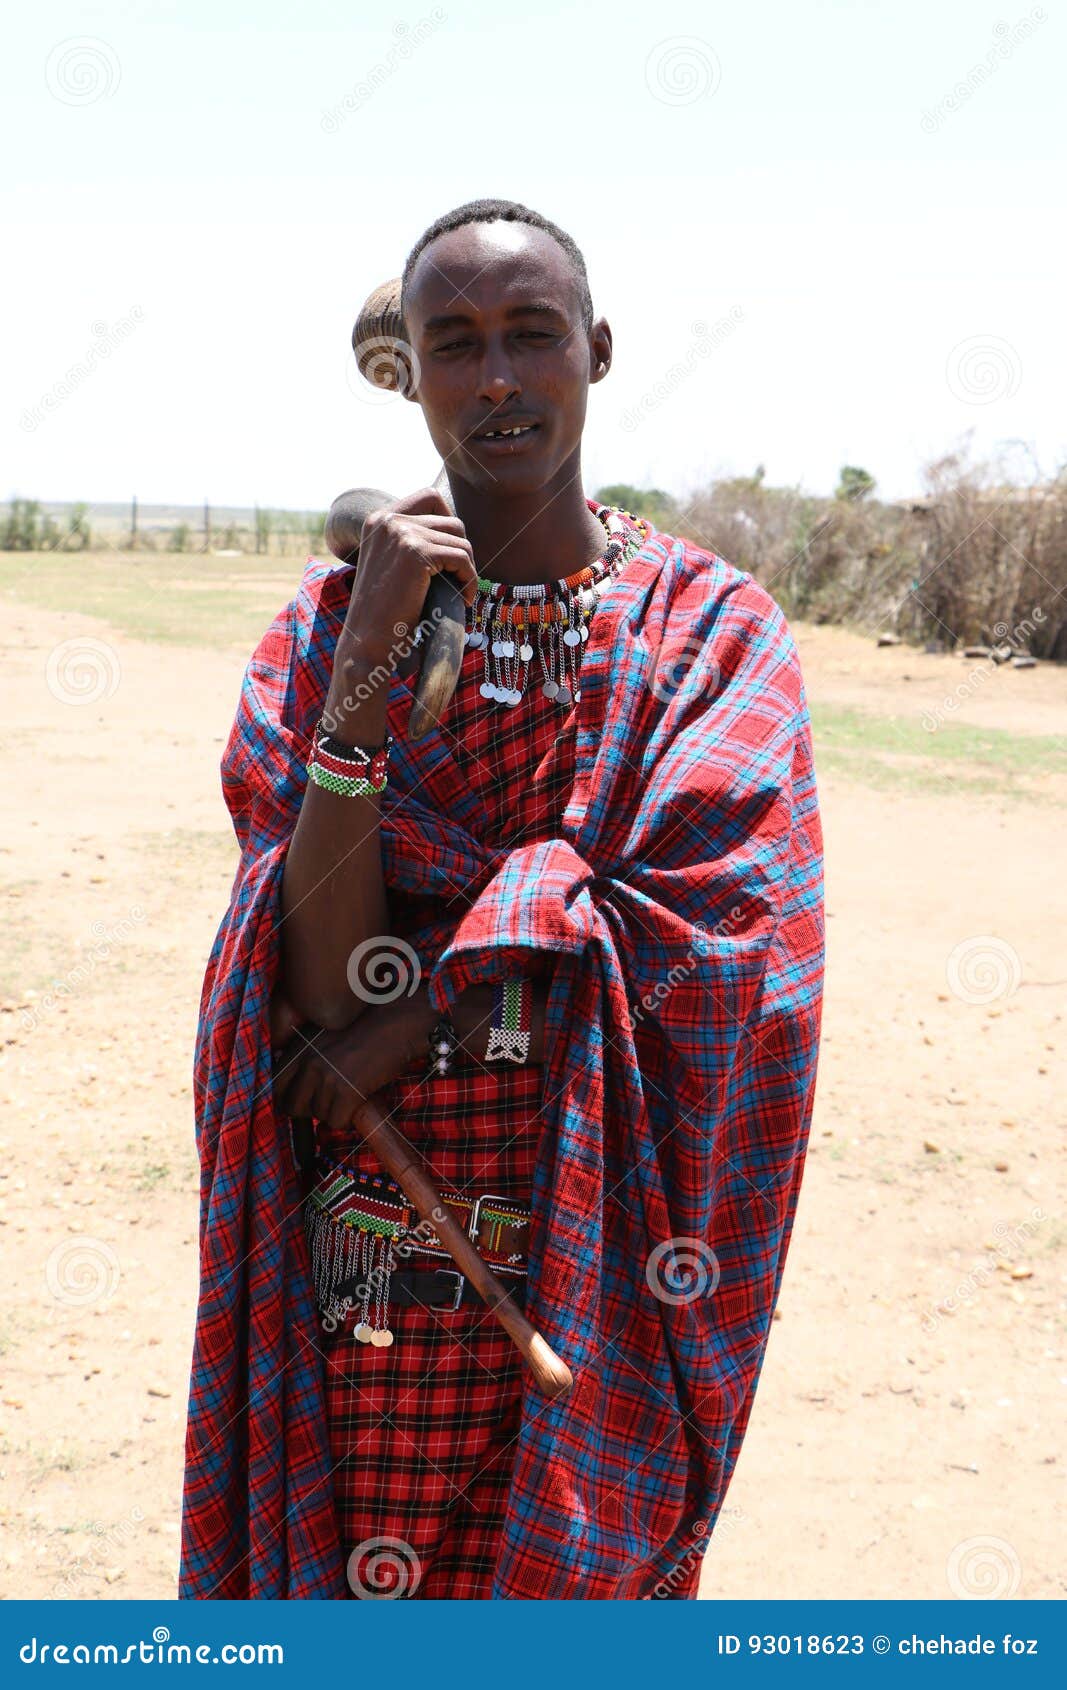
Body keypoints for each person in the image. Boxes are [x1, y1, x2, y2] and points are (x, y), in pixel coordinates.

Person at [178, 197, 825, 1601]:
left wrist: (423, 1020)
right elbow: (322, 986)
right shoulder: (331, 624)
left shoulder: (714, 635)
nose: (499, 378)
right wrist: (362, 688)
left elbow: (718, 955)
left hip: (600, 1272)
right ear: (408, 373)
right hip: (364, 1300)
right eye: (454, 344)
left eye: (532, 334)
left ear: (596, 351)